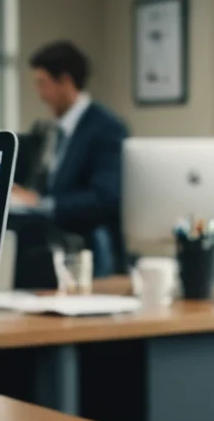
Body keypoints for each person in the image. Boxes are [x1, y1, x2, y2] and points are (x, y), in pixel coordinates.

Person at [10, 41, 128, 274]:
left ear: (65, 81)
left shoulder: (106, 129)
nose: (39, 94)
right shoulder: (49, 130)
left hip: (87, 250)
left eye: (43, 84)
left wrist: (42, 203)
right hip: (49, 243)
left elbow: (104, 197)